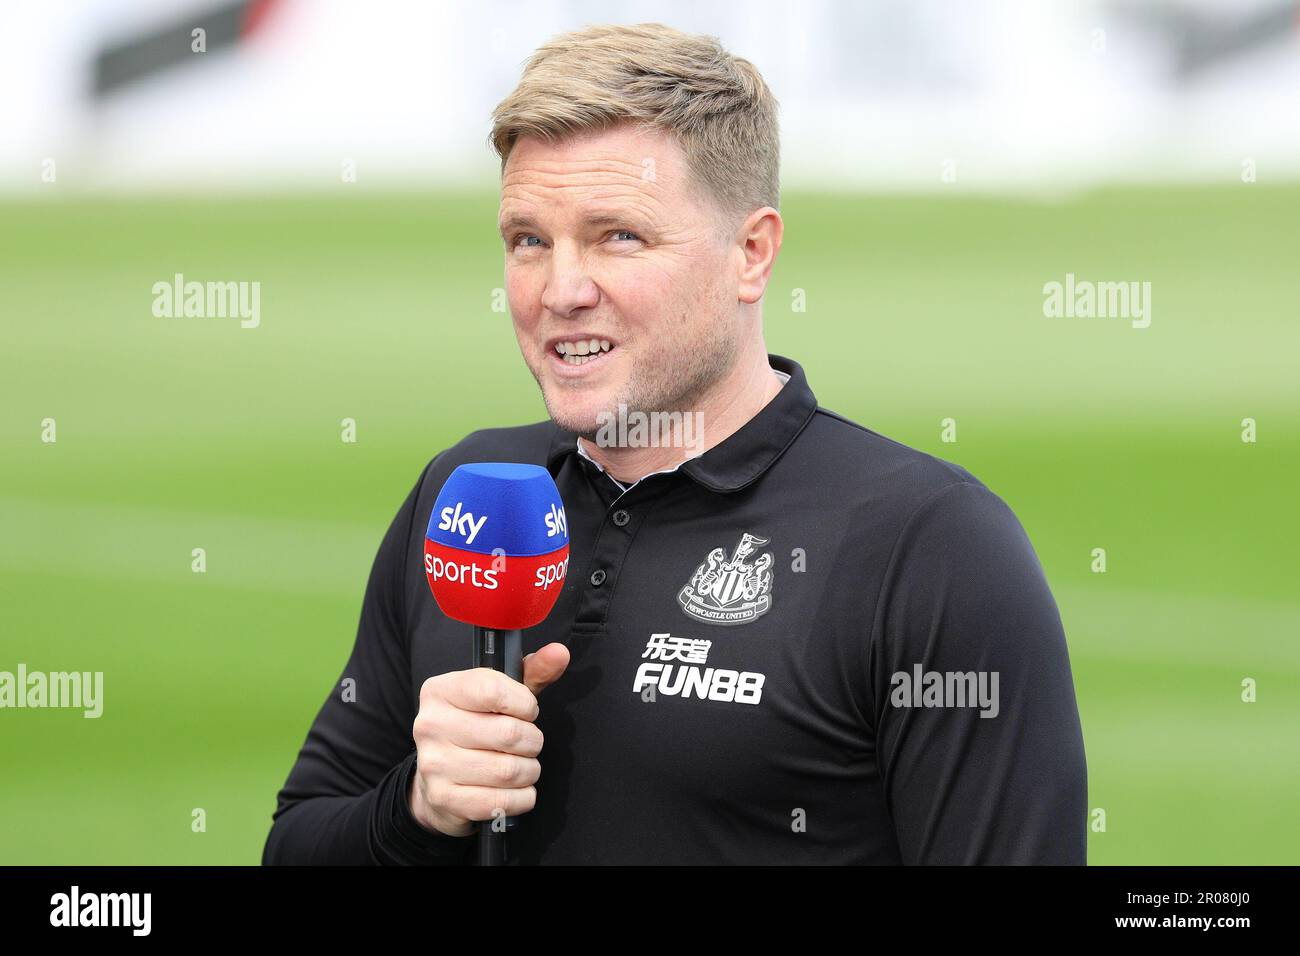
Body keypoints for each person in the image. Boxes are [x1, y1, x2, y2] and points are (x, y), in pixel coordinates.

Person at [263, 22, 1087, 865]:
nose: (562, 290)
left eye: (620, 235)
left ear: (751, 254)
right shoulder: (475, 497)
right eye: (528, 240)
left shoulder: (930, 544)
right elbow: (296, 843)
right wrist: (417, 808)